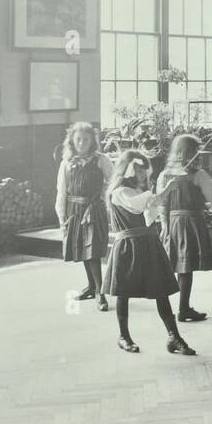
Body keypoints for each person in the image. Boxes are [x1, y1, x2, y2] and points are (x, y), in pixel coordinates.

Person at [102, 151, 196, 356]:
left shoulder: (137, 190)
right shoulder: (120, 192)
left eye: (145, 171)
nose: (144, 175)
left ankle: (174, 337)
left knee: (160, 290)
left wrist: (161, 193)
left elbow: (148, 213)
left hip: (147, 242)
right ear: (128, 169)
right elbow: (139, 206)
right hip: (128, 245)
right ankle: (123, 336)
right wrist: (166, 189)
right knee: (123, 293)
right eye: (139, 170)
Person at [154, 133, 212, 323]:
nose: (199, 155)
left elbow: (161, 204)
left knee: (180, 266)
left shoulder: (164, 174)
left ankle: (181, 307)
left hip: (172, 223)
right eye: (196, 151)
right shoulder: (199, 175)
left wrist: (164, 225)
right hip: (191, 223)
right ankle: (183, 308)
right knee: (186, 268)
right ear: (190, 152)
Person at [56, 122, 112, 312]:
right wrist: (62, 217)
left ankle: (100, 292)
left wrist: (104, 196)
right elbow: (61, 192)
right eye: (78, 139)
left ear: (92, 141)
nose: (81, 143)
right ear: (71, 140)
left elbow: (114, 182)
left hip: (94, 210)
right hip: (74, 210)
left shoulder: (100, 160)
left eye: (85, 139)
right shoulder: (67, 162)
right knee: (82, 249)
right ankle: (91, 287)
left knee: (93, 250)